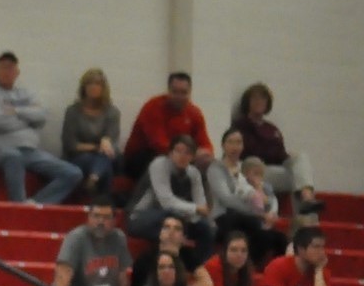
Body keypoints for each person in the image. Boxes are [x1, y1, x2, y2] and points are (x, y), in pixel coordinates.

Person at [0, 52, 81, 205]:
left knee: (73, 173)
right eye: (3, 68)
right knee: (13, 156)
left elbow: (41, 115)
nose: (7, 72)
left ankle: (34, 204)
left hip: (29, 151)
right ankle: (18, 206)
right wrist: (27, 122)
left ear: (17, 72)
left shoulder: (26, 94)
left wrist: (16, 111)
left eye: (11, 68)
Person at [232, 82, 323, 215]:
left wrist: (287, 157)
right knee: (296, 178)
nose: (259, 102)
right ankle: (305, 209)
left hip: (273, 170)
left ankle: (307, 201)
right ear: (248, 102)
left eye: (263, 98)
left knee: (299, 161)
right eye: (255, 98)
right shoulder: (241, 125)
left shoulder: (272, 128)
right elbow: (251, 150)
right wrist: (270, 149)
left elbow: (279, 153)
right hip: (252, 172)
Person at [126, 134, 216, 265]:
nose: (182, 156)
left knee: (205, 228)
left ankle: (197, 268)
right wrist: (195, 209)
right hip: (140, 217)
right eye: (178, 151)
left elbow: (201, 206)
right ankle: (159, 268)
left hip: (174, 218)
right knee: (171, 219)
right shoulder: (159, 165)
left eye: (187, 153)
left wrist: (207, 222)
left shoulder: (193, 173)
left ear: (192, 157)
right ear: (170, 152)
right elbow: (166, 201)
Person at [206, 128, 289, 262]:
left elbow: (265, 192)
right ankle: (246, 265)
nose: (235, 147)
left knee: (280, 238)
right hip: (224, 217)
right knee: (250, 222)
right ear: (223, 145)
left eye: (238, 142)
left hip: (248, 217)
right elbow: (227, 199)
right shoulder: (216, 168)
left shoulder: (246, 167)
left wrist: (271, 211)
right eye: (230, 142)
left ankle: (271, 272)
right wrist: (259, 214)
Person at [124, 71, 213, 179]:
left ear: (190, 93)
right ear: (168, 91)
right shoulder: (153, 107)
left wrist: (205, 155)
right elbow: (159, 144)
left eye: (183, 92)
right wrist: (189, 156)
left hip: (178, 155)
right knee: (161, 163)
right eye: (175, 92)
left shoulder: (194, 113)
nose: (179, 96)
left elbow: (205, 144)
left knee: (208, 164)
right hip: (141, 157)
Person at [61, 67, 123, 196]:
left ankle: (94, 178)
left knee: (106, 157)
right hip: (77, 157)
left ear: (103, 88)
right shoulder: (73, 111)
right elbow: (70, 144)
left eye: (97, 84)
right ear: (83, 87)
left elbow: (112, 142)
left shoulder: (112, 112)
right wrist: (96, 147)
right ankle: (104, 201)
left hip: (104, 155)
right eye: (89, 83)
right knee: (102, 163)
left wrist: (106, 143)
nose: (93, 87)